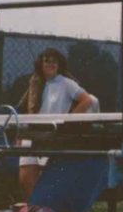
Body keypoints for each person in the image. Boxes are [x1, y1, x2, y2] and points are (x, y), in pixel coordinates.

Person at [17, 48, 97, 200]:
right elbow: (23, 109)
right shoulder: (35, 83)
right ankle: (34, 208)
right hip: (31, 133)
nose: (50, 64)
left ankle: (46, 209)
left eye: (54, 61)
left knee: (46, 177)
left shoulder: (67, 83)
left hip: (52, 135)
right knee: (25, 177)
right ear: (40, 64)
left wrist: (68, 122)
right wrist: (20, 134)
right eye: (47, 61)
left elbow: (87, 100)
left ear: (59, 65)